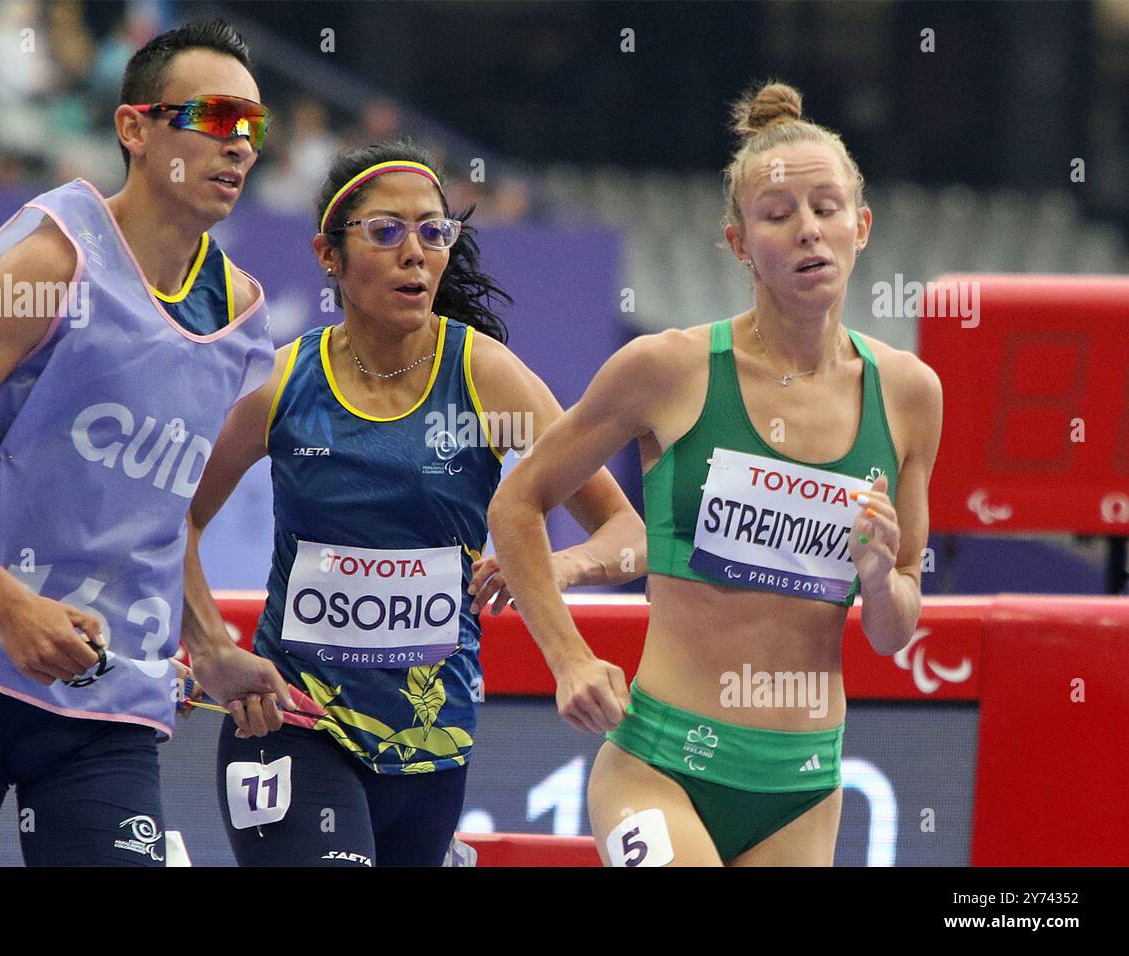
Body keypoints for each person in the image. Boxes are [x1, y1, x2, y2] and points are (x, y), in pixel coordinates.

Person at [0, 18, 289, 867]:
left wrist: (208, 642)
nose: (238, 146)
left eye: (253, 127)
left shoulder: (241, 315)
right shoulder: (54, 263)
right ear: (135, 128)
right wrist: (9, 605)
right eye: (213, 119)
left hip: (109, 704)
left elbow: (169, 517)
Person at [489, 81, 944, 867]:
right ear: (738, 243)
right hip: (659, 769)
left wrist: (877, 575)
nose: (809, 232)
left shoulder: (909, 394)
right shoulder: (666, 369)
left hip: (804, 788)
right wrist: (566, 658)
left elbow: (895, 628)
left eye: (828, 209)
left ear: (861, 227)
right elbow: (519, 500)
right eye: (778, 216)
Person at [181, 140, 645, 866]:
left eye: (433, 231)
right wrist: (208, 644)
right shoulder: (279, 387)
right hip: (291, 725)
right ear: (329, 256)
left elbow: (627, 532)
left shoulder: (489, 380)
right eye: (385, 231)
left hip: (433, 745)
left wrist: (557, 568)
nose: (415, 252)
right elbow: (172, 515)